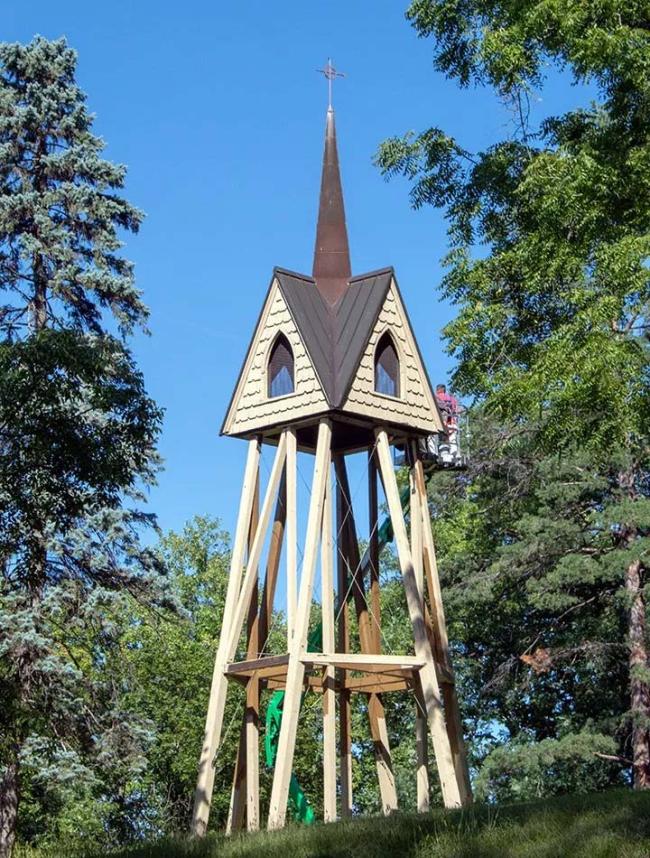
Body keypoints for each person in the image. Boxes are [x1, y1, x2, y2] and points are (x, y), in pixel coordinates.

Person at [435, 383, 461, 464]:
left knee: (442, 438)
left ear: (438, 390)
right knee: (453, 438)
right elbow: (456, 410)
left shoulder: (436, 397)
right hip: (452, 421)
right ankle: (455, 453)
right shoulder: (451, 398)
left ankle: (442, 453)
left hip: (442, 421)